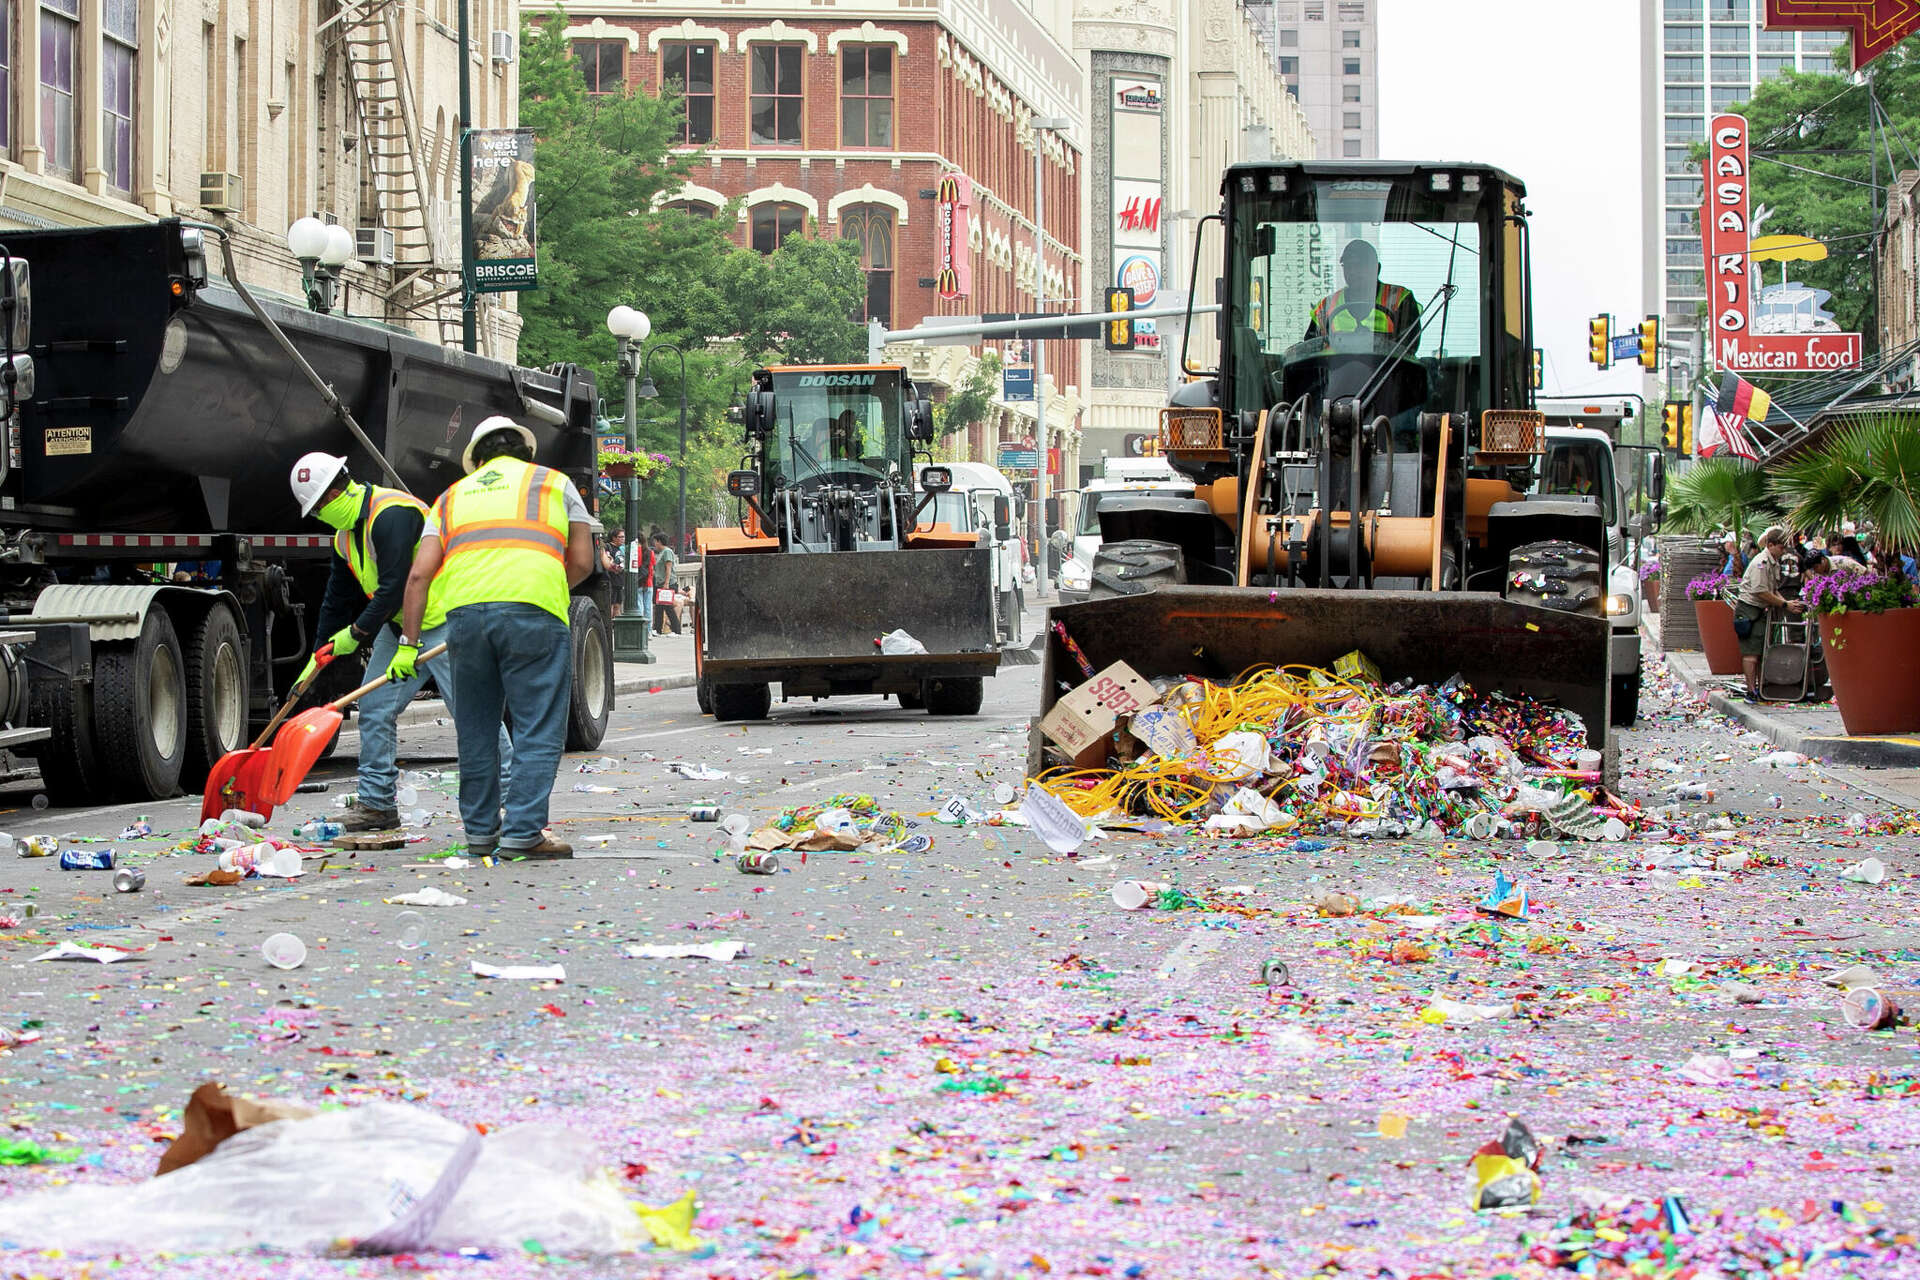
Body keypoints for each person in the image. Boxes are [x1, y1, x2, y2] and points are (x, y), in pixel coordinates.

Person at [394, 417, 595, 860]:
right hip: (535, 612)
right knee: (537, 726)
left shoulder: (450, 497)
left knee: (477, 730)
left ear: (477, 459)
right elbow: (582, 560)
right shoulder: (554, 484)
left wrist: (409, 645)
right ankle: (523, 832)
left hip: (464, 619)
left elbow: (418, 576)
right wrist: (541, 589)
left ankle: (481, 834)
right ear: (525, 453)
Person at [289, 451, 512, 833]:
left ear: (336, 491)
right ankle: (377, 805)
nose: (320, 515)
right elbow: (335, 598)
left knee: (474, 713)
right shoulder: (344, 538)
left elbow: (394, 588)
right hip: (400, 626)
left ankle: (511, 801)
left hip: (447, 620)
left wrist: (357, 635)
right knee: (374, 709)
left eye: (320, 506)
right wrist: (320, 652)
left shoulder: (391, 513)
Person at [1734, 525, 1804, 702]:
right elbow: (1761, 591)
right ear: (1771, 545)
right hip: (1750, 609)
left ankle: (1760, 688)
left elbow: (1773, 589)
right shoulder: (1761, 562)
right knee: (1751, 653)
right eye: (1780, 548)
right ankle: (1751, 690)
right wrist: (1783, 603)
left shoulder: (1773, 562)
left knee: (1760, 650)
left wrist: (1787, 604)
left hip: (1761, 609)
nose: (1782, 552)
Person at [1305, 240, 1422, 345]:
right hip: (1338, 369)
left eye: (1361, 265)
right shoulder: (1326, 306)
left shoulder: (1400, 299)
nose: (1353, 271)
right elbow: (1310, 347)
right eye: (1348, 266)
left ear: (1377, 268)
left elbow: (1408, 348)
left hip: (1387, 368)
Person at [650, 531, 681, 635]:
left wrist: (666, 583)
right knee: (659, 607)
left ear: (659, 541)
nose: (654, 544)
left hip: (667, 583)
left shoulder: (667, 551)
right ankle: (657, 629)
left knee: (668, 607)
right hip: (660, 583)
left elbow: (668, 568)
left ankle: (676, 630)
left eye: (655, 542)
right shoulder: (661, 553)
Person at [605, 530, 626, 617]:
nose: (623, 539)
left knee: (618, 605)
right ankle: (610, 627)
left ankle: (616, 627)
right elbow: (608, 561)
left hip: (619, 581)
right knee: (611, 605)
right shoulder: (608, 547)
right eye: (620, 537)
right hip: (611, 580)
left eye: (623, 537)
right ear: (614, 538)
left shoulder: (620, 549)